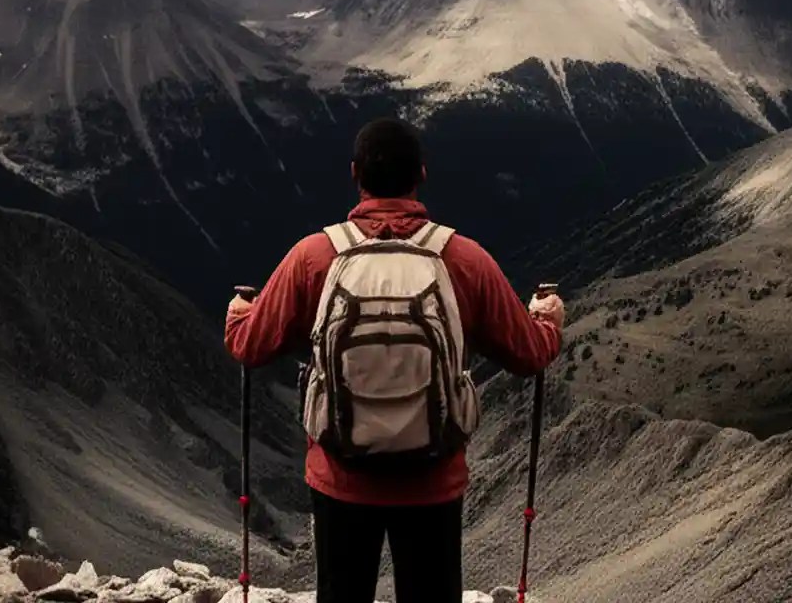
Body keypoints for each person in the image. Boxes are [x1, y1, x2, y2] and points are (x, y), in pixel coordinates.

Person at [225, 117, 565, 603]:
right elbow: (530, 354)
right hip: (433, 476)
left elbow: (249, 347)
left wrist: (239, 314)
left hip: (340, 474)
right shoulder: (463, 260)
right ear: (421, 174)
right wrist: (548, 319)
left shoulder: (313, 258)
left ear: (354, 174)